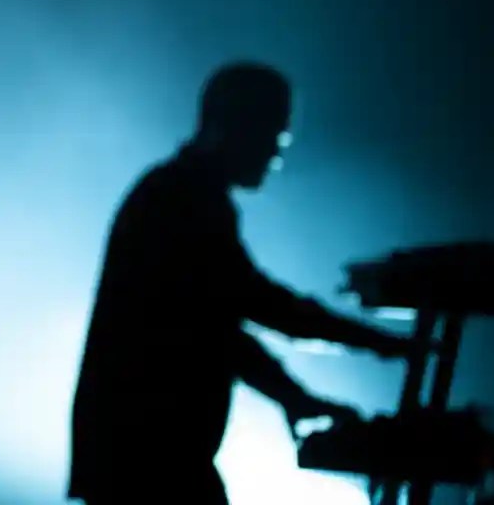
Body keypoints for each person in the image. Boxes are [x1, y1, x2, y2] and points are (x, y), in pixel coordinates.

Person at [68, 62, 415, 504]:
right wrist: (377, 343)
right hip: (149, 455)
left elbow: (217, 330)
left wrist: (297, 396)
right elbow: (254, 305)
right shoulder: (183, 201)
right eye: (274, 136)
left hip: (137, 453)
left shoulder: (174, 194)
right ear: (232, 127)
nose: (276, 154)